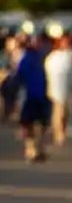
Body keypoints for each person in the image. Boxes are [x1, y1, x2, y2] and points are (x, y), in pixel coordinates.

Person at [14, 34, 50, 162]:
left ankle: (36, 150)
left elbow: (18, 77)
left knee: (39, 125)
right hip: (31, 96)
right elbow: (19, 76)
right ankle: (32, 150)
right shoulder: (29, 57)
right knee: (31, 125)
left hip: (39, 96)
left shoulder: (42, 57)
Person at [44, 36, 72, 147]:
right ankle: (59, 133)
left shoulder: (70, 56)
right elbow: (48, 72)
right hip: (56, 86)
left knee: (64, 110)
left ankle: (62, 131)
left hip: (66, 86)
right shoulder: (53, 57)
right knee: (59, 110)